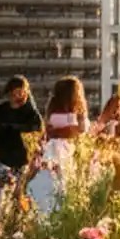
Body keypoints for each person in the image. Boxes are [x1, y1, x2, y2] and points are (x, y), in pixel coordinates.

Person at [25, 76, 90, 214]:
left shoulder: (70, 113)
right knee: (56, 183)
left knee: (58, 184)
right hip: (59, 151)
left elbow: (77, 131)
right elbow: (76, 130)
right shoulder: (61, 111)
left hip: (63, 151)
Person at [0, 76, 43, 173]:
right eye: (16, 92)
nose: (20, 95)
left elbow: (37, 128)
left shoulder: (31, 113)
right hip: (4, 156)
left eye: (22, 92)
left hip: (23, 158)